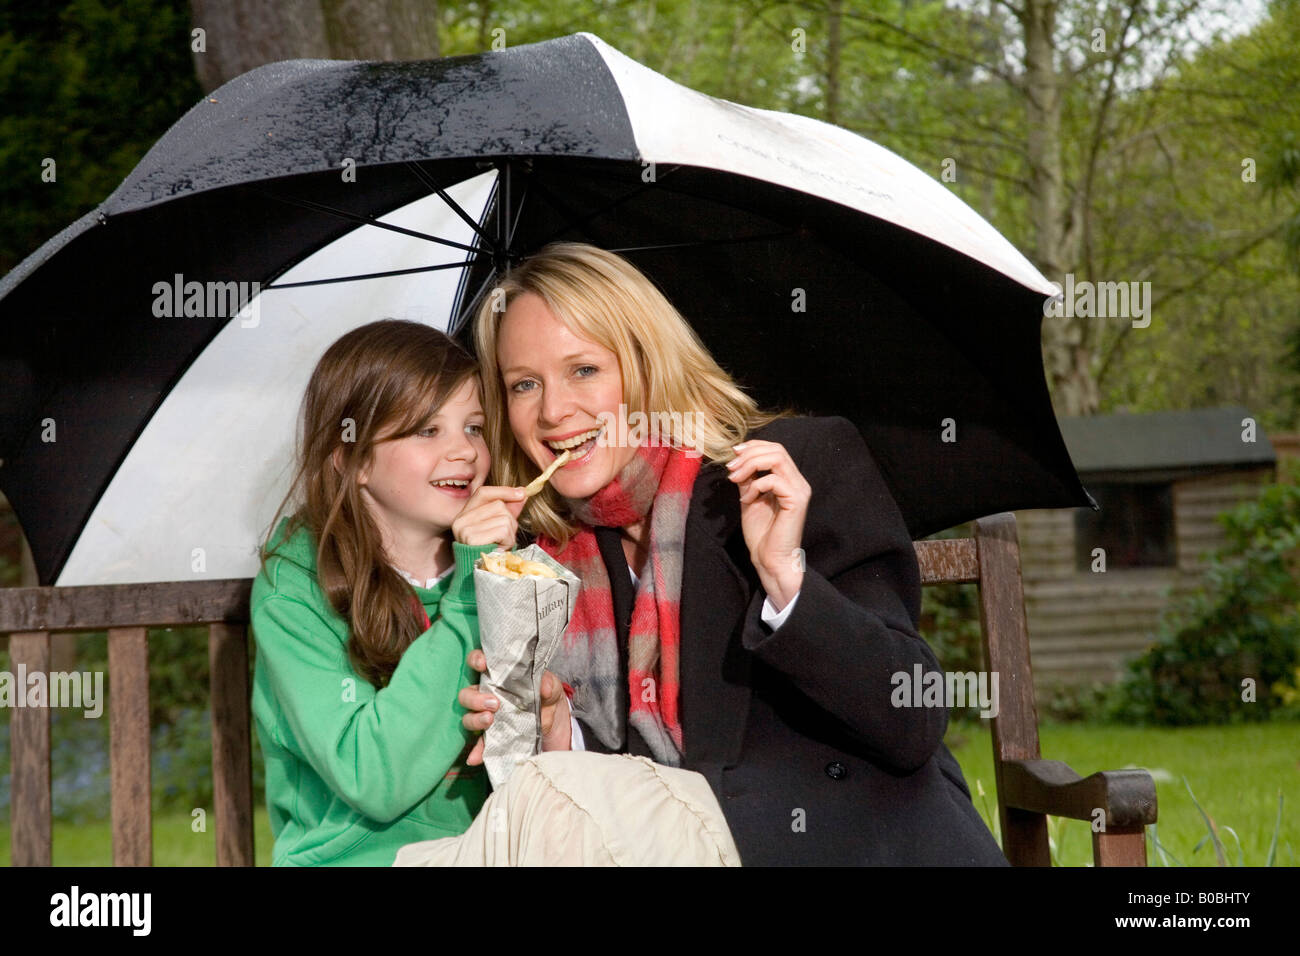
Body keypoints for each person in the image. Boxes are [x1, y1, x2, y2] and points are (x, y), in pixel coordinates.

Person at [461, 242, 1008, 865]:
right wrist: (560, 728)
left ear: (646, 365)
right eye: (524, 384)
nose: (553, 411)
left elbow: (911, 720)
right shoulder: (540, 559)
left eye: (583, 369)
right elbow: (614, 792)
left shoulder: (785, 472)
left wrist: (786, 581)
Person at [250, 319, 530, 866]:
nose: (465, 452)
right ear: (350, 457)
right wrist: (475, 594)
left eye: (474, 428)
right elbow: (373, 777)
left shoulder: (509, 563)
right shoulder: (295, 591)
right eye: (428, 430)